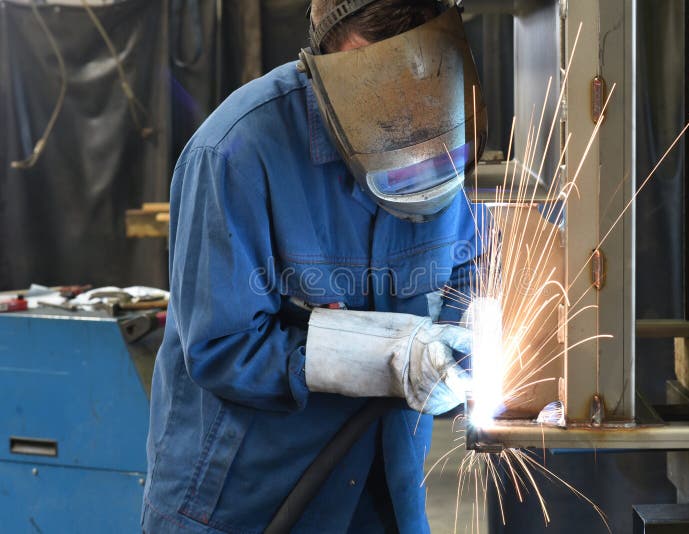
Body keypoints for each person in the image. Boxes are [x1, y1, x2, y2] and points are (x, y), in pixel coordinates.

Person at [142, 1, 488, 532]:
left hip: (385, 495)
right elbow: (220, 347)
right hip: (247, 501)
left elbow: (472, 271)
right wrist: (392, 354)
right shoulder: (234, 152)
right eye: (376, 69)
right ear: (327, 52)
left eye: (419, 63)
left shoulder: (449, 131)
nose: (403, 92)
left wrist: (467, 349)